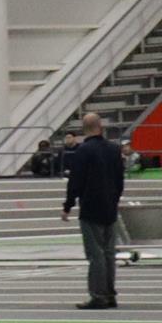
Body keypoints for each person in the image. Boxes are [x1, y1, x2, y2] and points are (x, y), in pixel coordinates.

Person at [64, 113, 125, 309]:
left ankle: (98, 295)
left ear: (84, 129)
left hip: (91, 207)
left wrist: (68, 206)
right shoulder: (114, 150)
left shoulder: (83, 150)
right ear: (101, 127)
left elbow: (76, 182)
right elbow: (120, 180)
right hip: (110, 207)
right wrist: (114, 200)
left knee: (96, 254)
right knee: (109, 253)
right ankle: (110, 293)